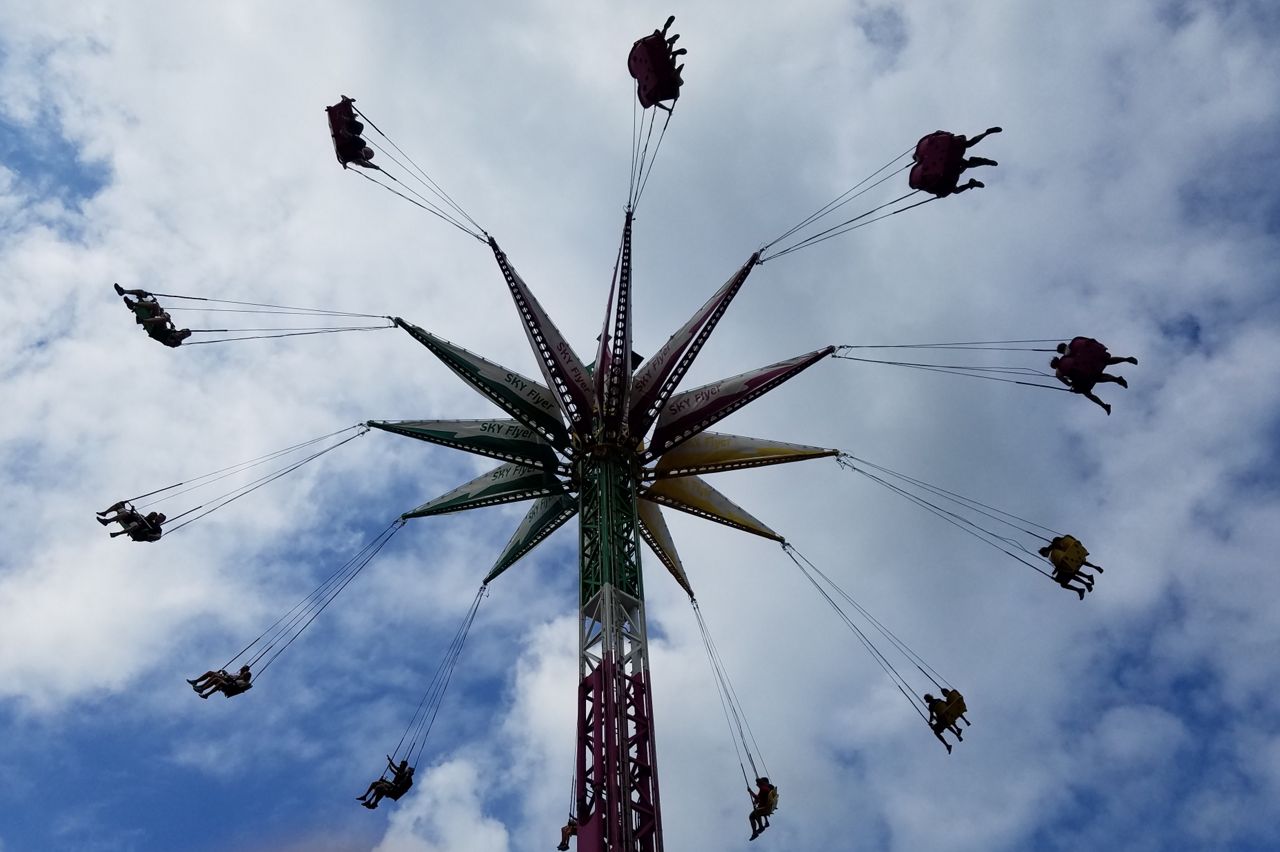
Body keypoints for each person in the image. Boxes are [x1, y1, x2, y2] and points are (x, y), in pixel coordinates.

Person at [909, 126, 1002, 197]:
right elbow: (936, 134)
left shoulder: (924, 170)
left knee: (956, 189)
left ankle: (973, 179)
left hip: (950, 164)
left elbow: (930, 186)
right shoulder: (923, 151)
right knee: (969, 144)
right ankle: (986, 134)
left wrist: (939, 194)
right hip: (951, 152)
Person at [1051, 337, 1135, 414]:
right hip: (1095, 356)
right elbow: (1091, 340)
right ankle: (1126, 360)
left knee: (1088, 390)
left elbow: (1067, 381)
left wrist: (1071, 385)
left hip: (1087, 371)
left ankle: (1104, 404)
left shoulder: (1062, 364)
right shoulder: (1075, 341)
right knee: (1107, 361)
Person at [1039, 535, 1101, 600]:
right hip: (1076, 559)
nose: (1045, 556)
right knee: (1073, 567)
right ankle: (1091, 573)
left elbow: (1060, 562)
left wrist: (1055, 571)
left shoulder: (1053, 554)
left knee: (1063, 580)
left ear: (1045, 552)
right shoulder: (1063, 541)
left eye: (1044, 555)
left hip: (1070, 564)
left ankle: (1081, 587)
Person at [326, 97, 380, 170]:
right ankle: (345, 115)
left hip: (343, 149)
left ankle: (344, 130)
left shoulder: (359, 157)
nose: (367, 152)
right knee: (360, 127)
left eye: (368, 154)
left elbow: (363, 164)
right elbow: (356, 133)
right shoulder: (358, 143)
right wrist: (353, 119)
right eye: (369, 151)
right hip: (347, 136)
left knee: (361, 143)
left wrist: (373, 167)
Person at [97, 501, 165, 542]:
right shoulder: (142, 517)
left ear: (161, 521)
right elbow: (132, 515)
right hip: (130, 522)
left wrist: (151, 536)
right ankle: (106, 518)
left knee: (136, 525)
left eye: (159, 518)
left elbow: (158, 536)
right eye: (157, 516)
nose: (156, 517)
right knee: (120, 506)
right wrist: (132, 510)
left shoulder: (157, 528)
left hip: (137, 531)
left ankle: (117, 533)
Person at [187, 664, 253, 698]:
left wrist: (226, 675)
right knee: (211, 673)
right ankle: (197, 682)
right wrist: (224, 673)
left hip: (229, 687)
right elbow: (229, 677)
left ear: (245, 671)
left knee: (216, 679)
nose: (241, 669)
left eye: (243, 669)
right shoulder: (237, 674)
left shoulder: (244, 681)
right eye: (242, 668)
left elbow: (234, 683)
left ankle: (204, 691)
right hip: (226, 680)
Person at [748, 776, 778, 841]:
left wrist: (751, 791)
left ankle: (760, 828)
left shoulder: (764, 788)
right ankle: (757, 830)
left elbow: (758, 797)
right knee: (754, 815)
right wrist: (755, 801)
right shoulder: (766, 788)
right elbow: (758, 798)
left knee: (754, 814)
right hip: (765, 808)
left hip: (766, 808)